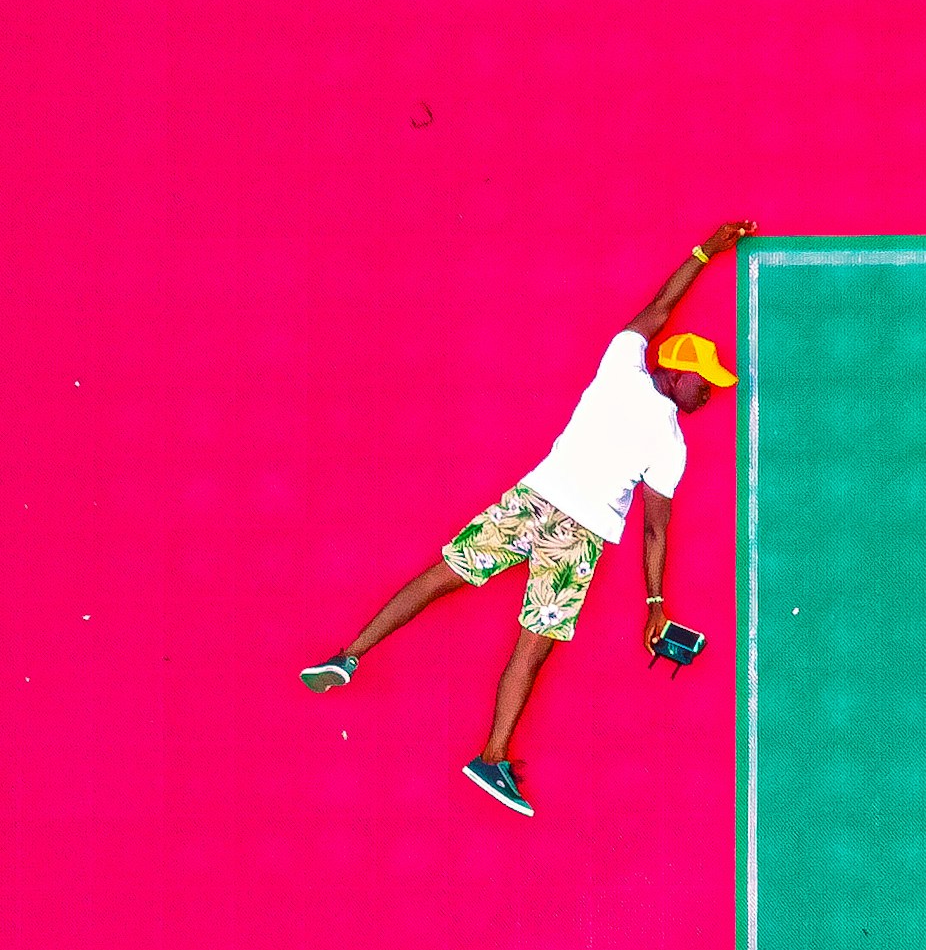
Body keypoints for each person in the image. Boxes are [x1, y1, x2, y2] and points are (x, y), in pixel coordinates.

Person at [301, 221, 757, 816]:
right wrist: (654, 604)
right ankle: (490, 759)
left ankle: (350, 654)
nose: (711, 393)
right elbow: (654, 529)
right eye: (707, 383)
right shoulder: (670, 444)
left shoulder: (621, 364)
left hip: (531, 502)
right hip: (576, 541)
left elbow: (661, 303)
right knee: (531, 646)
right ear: (676, 368)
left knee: (443, 575)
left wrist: (704, 251)